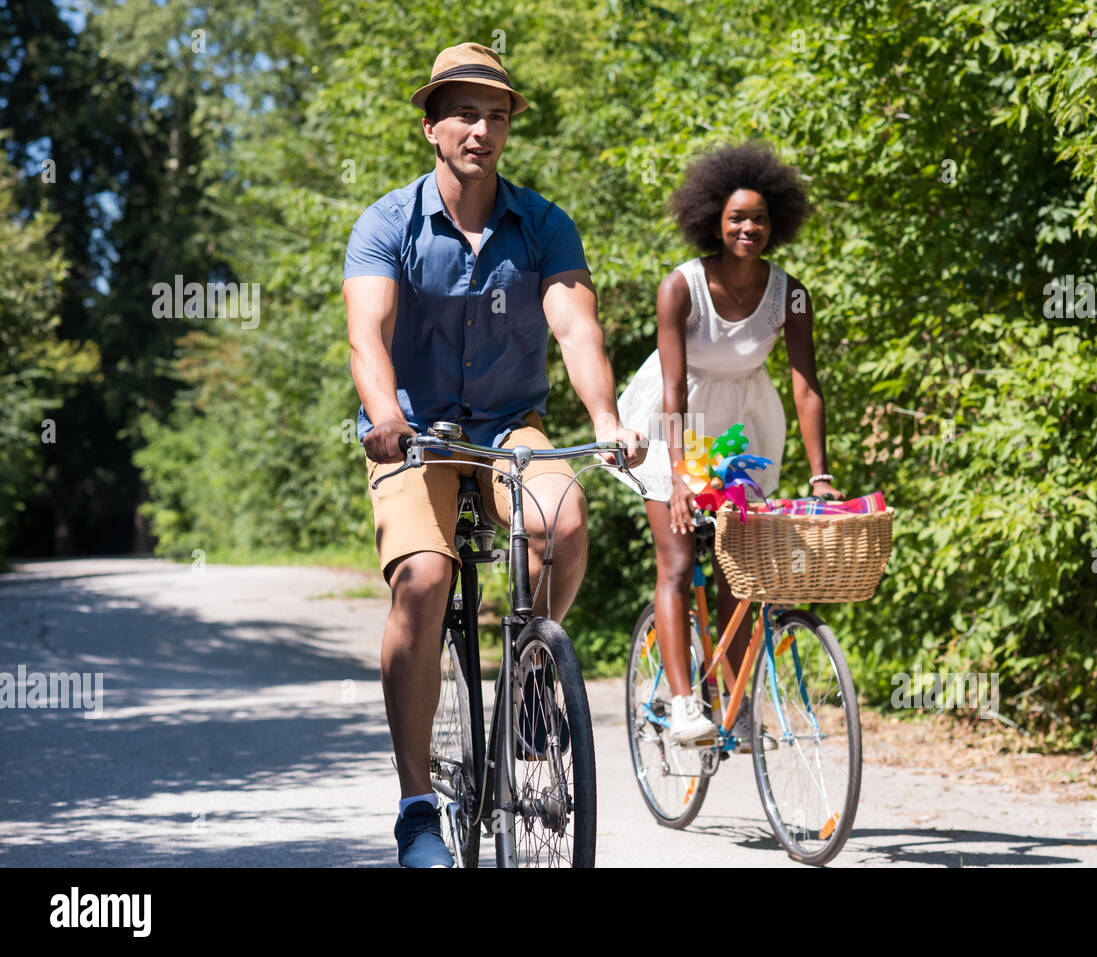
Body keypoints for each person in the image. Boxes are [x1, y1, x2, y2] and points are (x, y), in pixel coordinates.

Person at [343, 42, 645, 868]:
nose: (482, 128)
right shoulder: (386, 224)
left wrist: (606, 416)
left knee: (561, 517)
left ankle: (527, 684)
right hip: (415, 429)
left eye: (498, 114)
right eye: (465, 112)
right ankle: (415, 809)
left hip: (510, 425)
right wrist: (382, 416)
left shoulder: (542, 224)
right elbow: (368, 336)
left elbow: (576, 326)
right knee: (425, 580)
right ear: (433, 124)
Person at [613, 142, 843, 749]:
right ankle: (685, 704)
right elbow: (670, 387)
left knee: (737, 578)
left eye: (760, 219)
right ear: (713, 219)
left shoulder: (789, 295)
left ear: (777, 224)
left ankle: (736, 707)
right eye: (738, 217)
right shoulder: (680, 287)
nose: (749, 228)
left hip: (745, 432)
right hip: (675, 427)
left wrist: (820, 475)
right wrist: (683, 476)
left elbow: (806, 385)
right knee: (679, 564)